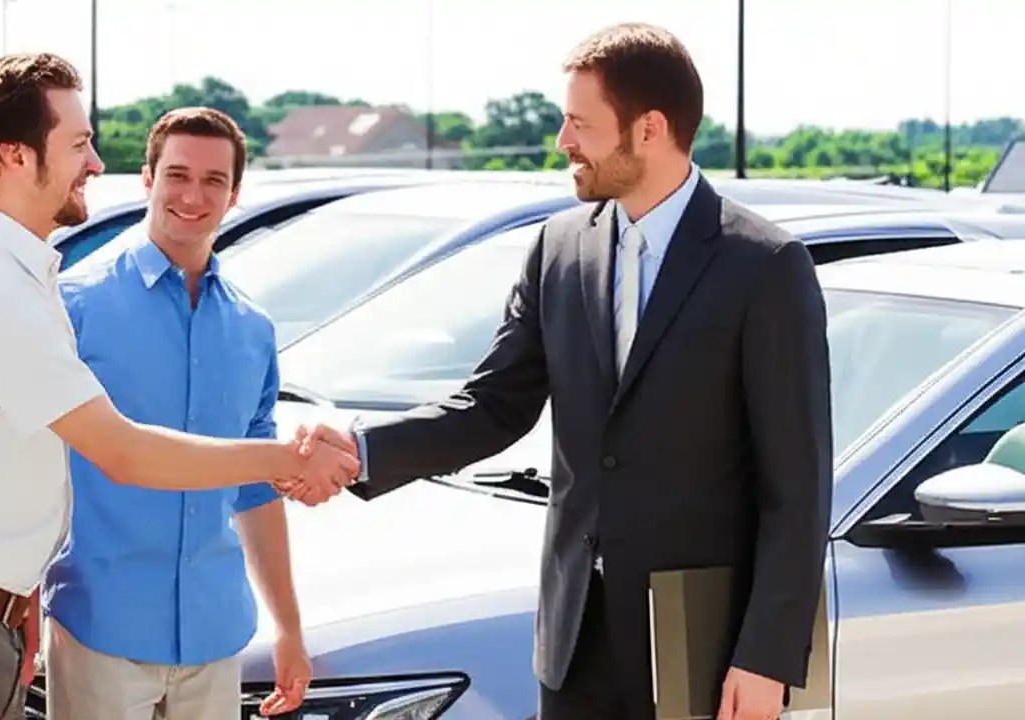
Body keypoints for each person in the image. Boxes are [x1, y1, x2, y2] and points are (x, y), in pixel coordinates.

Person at [293, 22, 832, 720]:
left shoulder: (764, 265)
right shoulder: (559, 247)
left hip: (700, 641)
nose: (561, 141)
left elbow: (798, 486)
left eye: (580, 122)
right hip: (574, 638)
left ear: (650, 129)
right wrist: (360, 450)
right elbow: (493, 405)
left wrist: (766, 657)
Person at [0, 54, 354, 720]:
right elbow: (122, 452)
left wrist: (16, 598)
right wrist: (290, 458)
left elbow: (18, 470)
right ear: (16, 155)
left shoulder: (18, 277)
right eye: (79, 144)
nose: (97, 164)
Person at [42, 107, 310, 719]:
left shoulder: (252, 329)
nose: (193, 196)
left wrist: (289, 627)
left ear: (235, 194)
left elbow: (256, 489)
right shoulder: (74, 308)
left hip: (216, 636)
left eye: (214, 181)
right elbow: (29, 466)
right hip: (99, 628)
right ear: (148, 179)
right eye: (178, 175)